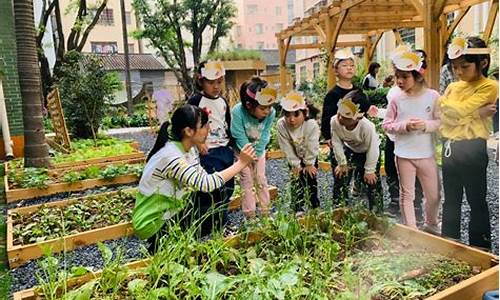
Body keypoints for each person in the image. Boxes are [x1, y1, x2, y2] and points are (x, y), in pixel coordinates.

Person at [132, 105, 257, 254]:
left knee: (217, 194)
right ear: (189, 131)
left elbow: (203, 179)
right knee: (211, 206)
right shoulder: (171, 156)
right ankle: (159, 245)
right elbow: (205, 184)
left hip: (172, 209)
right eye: (203, 126)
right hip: (153, 221)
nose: (208, 129)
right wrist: (241, 164)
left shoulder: (188, 149)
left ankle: (181, 240)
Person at [439, 36, 498, 250]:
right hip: (450, 147)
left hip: (473, 148)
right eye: (455, 67)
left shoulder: (490, 86)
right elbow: (442, 114)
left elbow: (454, 111)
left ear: (482, 63)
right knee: (451, 201)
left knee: (477, 201)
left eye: (464, 66)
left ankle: (480, 249)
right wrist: (476, 113)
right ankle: (448, 246)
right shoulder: (454, 87)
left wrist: (459, 113)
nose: (459, 72)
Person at [382, 49, 441, 232]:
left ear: (417, 75)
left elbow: (441, 122)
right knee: (407, 194)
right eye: (397, 76)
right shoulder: (396, 99)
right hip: (403, 154)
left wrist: (425, 125)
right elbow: (387, 125)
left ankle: (431, 223)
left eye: (404, 77)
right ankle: (412, 230)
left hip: (426, 154)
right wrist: (404, 126)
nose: (399, 81)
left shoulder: (433, 96)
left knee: (434, 195)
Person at [188, 61, 234, 236]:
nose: (216, 86)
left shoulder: (223, 101)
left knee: (227, 188)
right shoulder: (195, 101)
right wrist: (198, 142)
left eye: (219, 81)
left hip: (224, 151)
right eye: (211, 82)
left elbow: (227, 123)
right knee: (210, 190)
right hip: (207, 153)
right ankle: (209, 225)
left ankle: (222, 220)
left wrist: (232, 147)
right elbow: (187, 125)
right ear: (201, 81)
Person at [231, 77, 277, 218]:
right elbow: (238, 135)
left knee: (261, 179)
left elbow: (265, 134)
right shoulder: (238, 112)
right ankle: (249, 215)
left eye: (269, 107)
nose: (267, 111)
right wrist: (248, 155)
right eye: (263, 108)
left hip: (258, 151)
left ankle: (265, 212)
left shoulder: (271, 112)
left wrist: (256, 154)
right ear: (249, 105)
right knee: (247, 181)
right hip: (241, 152)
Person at [330, 89, 382, 211]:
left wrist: (370, 170)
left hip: (367, 152)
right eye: (339, 113)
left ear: (359, 116)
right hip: (350, 149)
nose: (340, 118)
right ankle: (339, 207)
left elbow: (373, 149)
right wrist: (342, 163)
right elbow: (336, 142)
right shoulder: (335, 121)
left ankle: (376, 212)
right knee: (341, 178)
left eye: (346, 116)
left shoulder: (367, 127)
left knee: (372, 182)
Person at [277, 91, 321, 212]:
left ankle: (314, 206)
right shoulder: (281, 125)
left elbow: (312, 145)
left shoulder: (311, 125)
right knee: (296, 181)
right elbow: (286, 146)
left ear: (304, 113)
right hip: (293, 156)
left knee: (311, 179)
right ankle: (297, 207)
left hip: (309, 156)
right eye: (288, 115)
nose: (291, 119)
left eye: (296, 115)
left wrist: (309, 163)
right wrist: (295, 165)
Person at [321, 48, 356, 184]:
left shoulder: (357, 91)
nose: (349, 68)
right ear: (336, 70)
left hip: (356, 136)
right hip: (338, 138)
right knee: (340, 172)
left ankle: (357, 193)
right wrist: (328, 137)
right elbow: (326, 117)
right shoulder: (333, 94)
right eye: (345, 65)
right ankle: (339, 201)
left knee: (356, 168)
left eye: (352, 65)